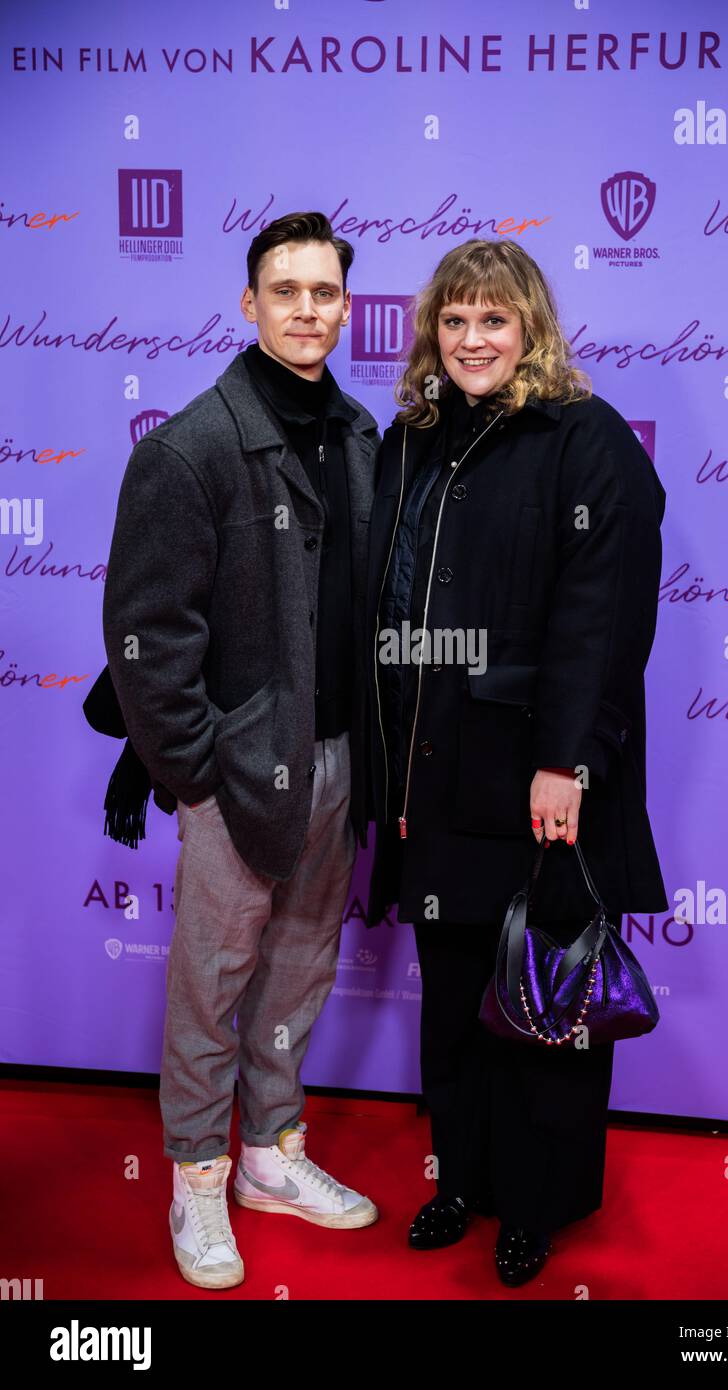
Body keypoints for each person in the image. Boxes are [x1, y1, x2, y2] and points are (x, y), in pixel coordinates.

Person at [365, 238, 668, 1287]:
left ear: (531, 326)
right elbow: (394, 617)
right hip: (438, 782)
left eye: (492, 319)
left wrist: (564, 764)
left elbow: (600, 623)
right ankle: (458, 1182)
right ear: (430, 332)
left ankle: (532, 1207)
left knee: (543, 1004)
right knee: (452, 1002)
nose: (470, 340)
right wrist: (394, 776)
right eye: (453, 320)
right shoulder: (414, 441)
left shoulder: (585, 443)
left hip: (537, 783)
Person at [102, 212, 381, 1290]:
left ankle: (269, 1154)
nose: (306, 309)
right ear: (248, 305)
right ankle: (195, 1175)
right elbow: (146, 631)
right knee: (210, 985)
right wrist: (193, 768)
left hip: (338, 756)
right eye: (286, 290)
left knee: (300, 970)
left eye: (324, 293)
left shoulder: (355, 433)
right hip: (234, 768)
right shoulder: (193, 446)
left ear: (344, 307)